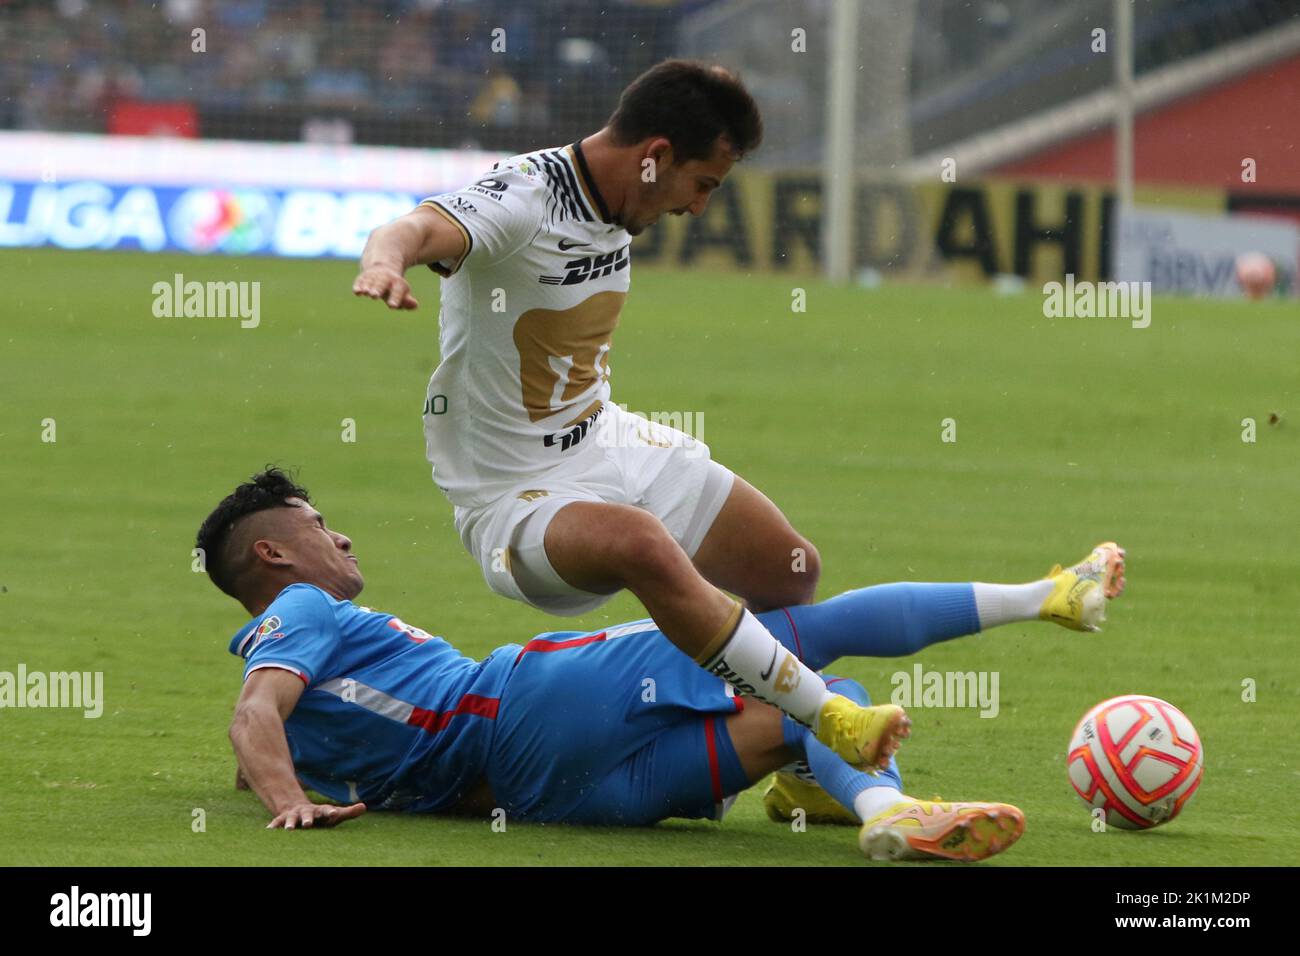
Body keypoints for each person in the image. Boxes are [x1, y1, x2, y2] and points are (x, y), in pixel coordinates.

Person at [353, 57, 903, 767]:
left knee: (790, 570)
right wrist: (383, 263)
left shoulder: (616, 201)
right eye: (701, 185)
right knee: (641, 545)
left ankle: (785, 759)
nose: (699, 206)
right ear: (656, 157)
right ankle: (826, 718)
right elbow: (418, 228)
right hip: (514, 497)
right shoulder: (524, 197)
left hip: (606, 439)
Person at [198, 468, 1126, 861]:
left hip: (549, 803)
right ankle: (1045, 595)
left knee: (801, 714)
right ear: (275, 557)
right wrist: (287, 798)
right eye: (318, 526)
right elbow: (256, 718)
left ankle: (875, 808)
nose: (342, 534)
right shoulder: (302, 609)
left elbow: (257, 738)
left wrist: (271, 778)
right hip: (531, 703)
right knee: (800, 638)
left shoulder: (298, 663)